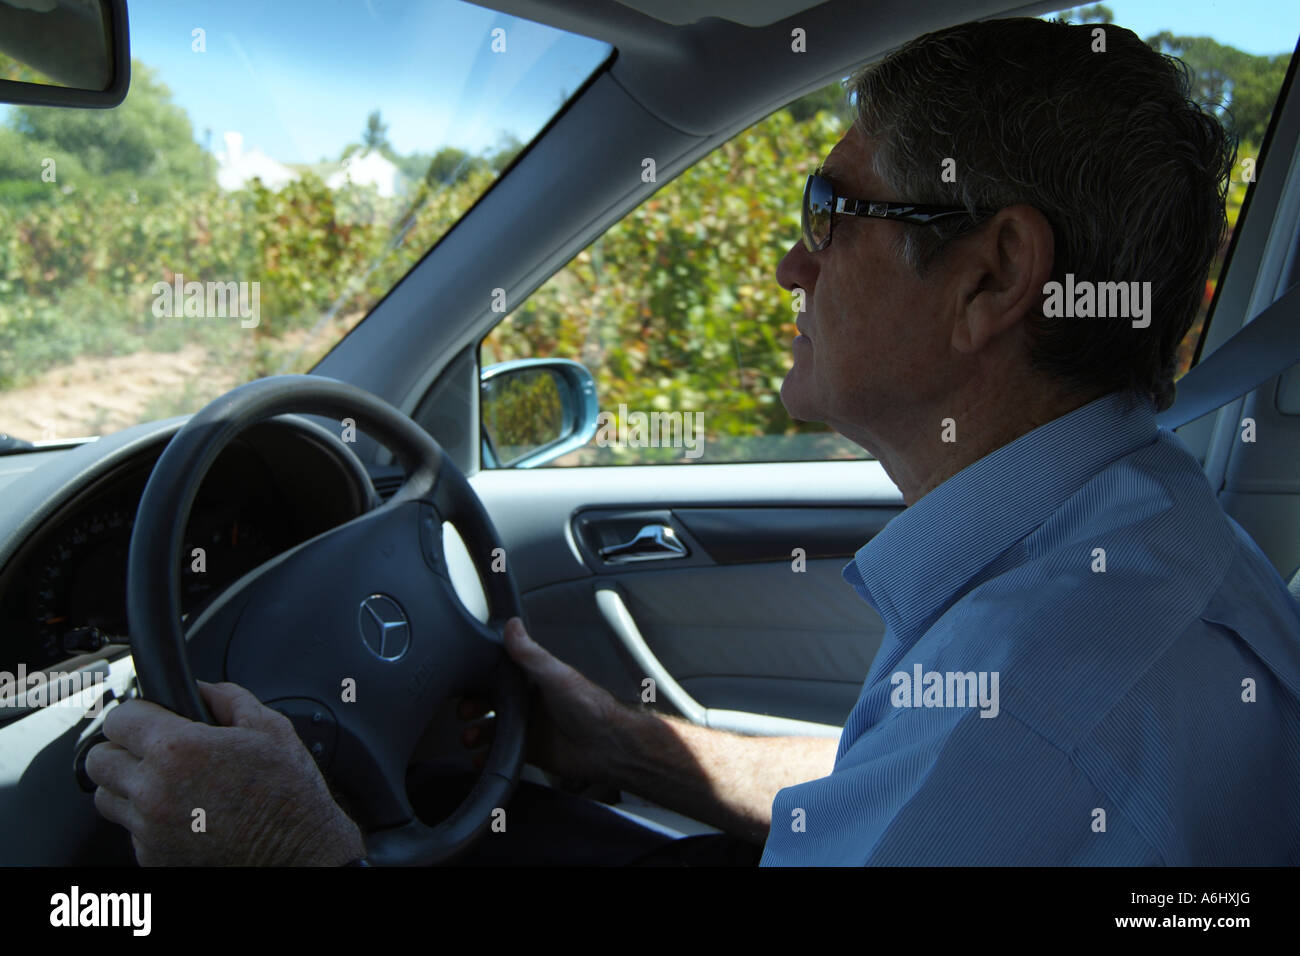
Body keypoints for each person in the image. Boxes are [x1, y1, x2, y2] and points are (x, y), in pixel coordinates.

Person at [86, 16, 1300, 865]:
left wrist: (292, 853)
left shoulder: (1034, 732)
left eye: (832, 210)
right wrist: (624, 743)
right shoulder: (1126, 544)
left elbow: (965, 782)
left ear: (992, 277)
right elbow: (880, 800)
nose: (790, 261)